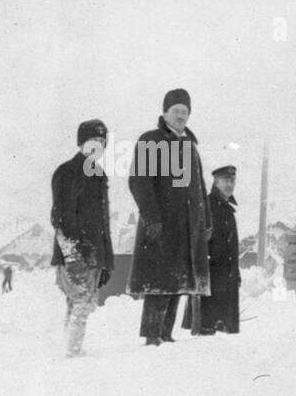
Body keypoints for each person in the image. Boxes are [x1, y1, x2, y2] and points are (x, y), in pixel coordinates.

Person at [128, 88, 212, 345]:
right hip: (162, 225)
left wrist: (206, 221)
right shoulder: (150, 140)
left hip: (187, 226)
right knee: (159, 282)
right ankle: (152, 335)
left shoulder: (190, 146)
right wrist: (152, 218)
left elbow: (199, 187)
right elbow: (139, 181)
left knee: (179, 281)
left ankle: (166, 333)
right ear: (165, 112)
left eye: (185, 112)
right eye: (176, 111)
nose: (181, 116)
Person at [50, 118, 115, 356]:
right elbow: (61, 219)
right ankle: (71, 351)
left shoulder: (99, 175)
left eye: (102, 141)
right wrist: (73, 256)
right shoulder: (68, 172)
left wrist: (106, 261)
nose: (97, 145)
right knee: (81, 302)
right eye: (92, 140)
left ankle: (69, 348)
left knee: (78, 303)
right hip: (76, 255)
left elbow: (103, 222)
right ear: (81, 143)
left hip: (94, 255)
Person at [183, 165, 241, 334]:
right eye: (225, 181)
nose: (230, 184)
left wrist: (235, 272)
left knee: (219, 332)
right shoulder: (207, 206)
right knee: (206, 329)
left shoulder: (227, 209)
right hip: (210, 274)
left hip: (225, 276)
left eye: (232, 181)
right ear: (216, 182)